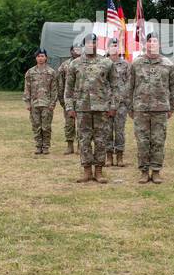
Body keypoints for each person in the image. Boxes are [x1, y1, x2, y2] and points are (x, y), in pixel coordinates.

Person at [125, 35, 174, 183]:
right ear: (146, 44)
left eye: (154, 41)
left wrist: (172, 107)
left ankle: (156, 171)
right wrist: (130, 107)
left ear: (159, 44)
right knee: (142, 141)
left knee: (158, 140)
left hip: (160, 109)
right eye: (149, 41)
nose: (152, 44)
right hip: (140, 109)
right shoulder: (136, 63)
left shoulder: (168, 64)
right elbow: (130, 86)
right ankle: (143, 171)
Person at [64, 36, 116, 183]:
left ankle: (99, 171)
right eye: (88, 43)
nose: (91, 45)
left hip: (101, 108)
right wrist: (69, 107)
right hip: (82, 108)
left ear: (96, 44)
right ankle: (87, 170)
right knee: (84, 140)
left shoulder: (106, 63)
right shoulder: (75, 64)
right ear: (84, 45)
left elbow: (115, 86)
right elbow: (68, 89)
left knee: (101, 140)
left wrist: (113, 106)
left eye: (93, 42)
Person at [24, 49, 58, 155]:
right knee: (36, 126)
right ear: (36, 58)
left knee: (46, 126)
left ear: (46, 58)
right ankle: (38, 146)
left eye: (42, 56)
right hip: (34, 104)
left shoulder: (51, 72)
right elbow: (27, 88)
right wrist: (27, 102)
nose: (40, 58)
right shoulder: (30, 72)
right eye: (38, 56)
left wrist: (52, 104)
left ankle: (46, 146)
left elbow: (54, 89)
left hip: (47, 104)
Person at [108, 39, 132, 167]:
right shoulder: (103, 64)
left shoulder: (126, 65)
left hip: (121, 104)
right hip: (106, 104)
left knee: (119, 131)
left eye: (116, 46)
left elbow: (129, 83)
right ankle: (109, 156)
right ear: (108, 48)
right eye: (112, 45)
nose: (114, 48)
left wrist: (124, 99)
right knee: (107, 131)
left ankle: (120, 156)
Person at [56, 45, 80, 154]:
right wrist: (62, 100)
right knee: (69, 123)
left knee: (82, 124)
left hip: (82, 99)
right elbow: (60, 83)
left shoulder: (84, 63)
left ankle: (81, 146)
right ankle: (70, 145)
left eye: (79, 49)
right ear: (71, 51)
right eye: (75, 49)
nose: (77, 51)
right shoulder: (64, 65)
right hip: (69, 99)